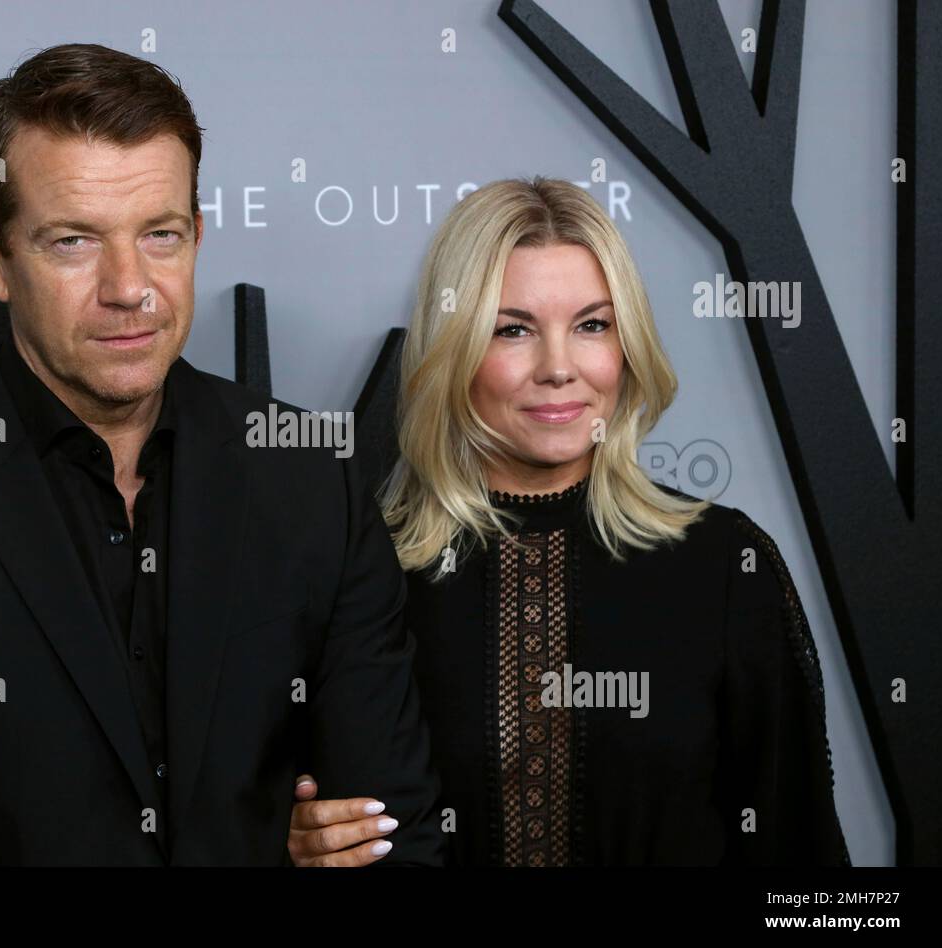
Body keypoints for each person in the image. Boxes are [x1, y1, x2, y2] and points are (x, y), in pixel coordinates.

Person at [0, 43, 444, 866]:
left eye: (160, 234)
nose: (129, 287)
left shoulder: (311, 479)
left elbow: (389, 838)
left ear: (197, 236)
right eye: (73, 241)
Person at [288, 177, 851, 866]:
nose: (558, 368)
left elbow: (802, 855)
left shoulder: (727, 563)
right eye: (513, 329)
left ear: (627, 345)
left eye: (592, 325)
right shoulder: (366, 573)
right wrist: (293, 847)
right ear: (455, 348)